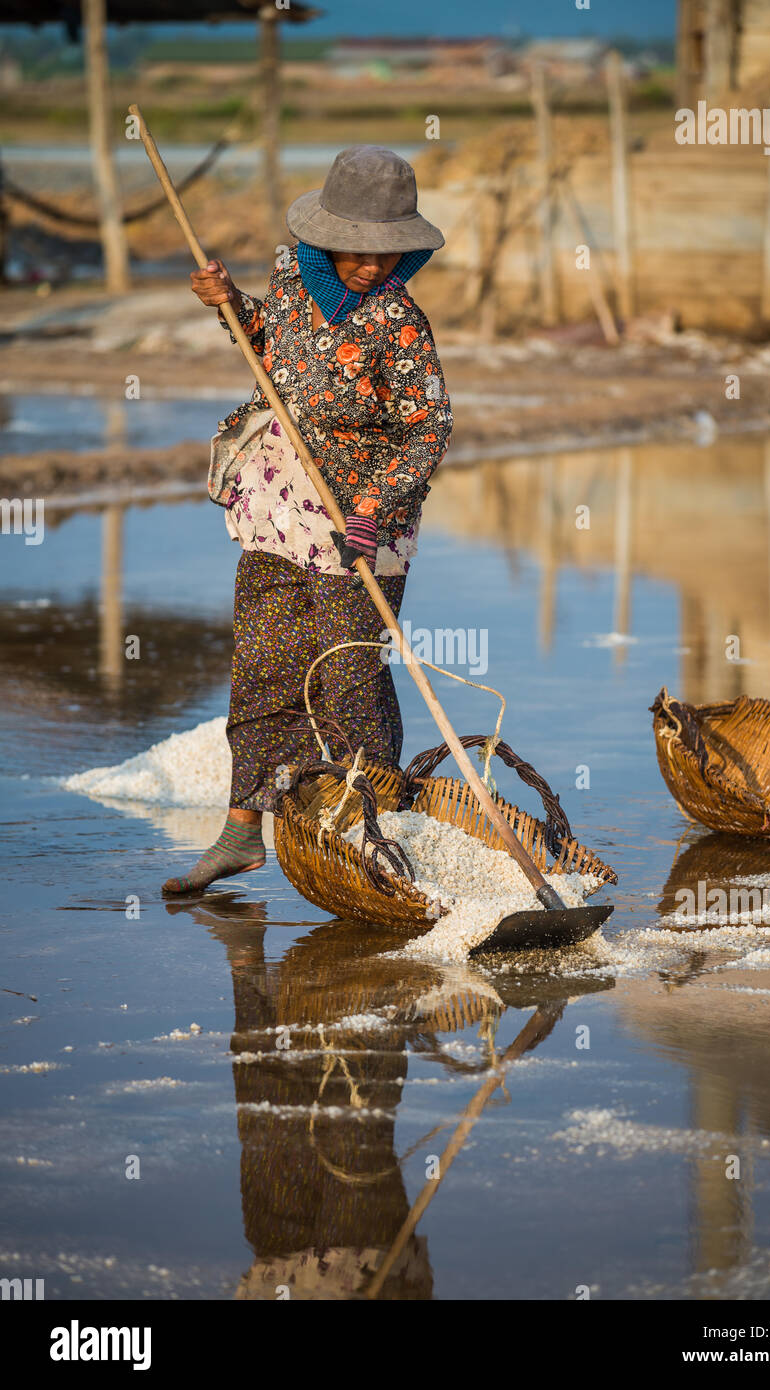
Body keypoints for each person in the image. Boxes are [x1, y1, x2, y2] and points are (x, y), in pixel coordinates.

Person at [162, 145, 452, 894]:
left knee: (350, 674)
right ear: (327, 238)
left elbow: (429, 429)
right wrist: (231, 308)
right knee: (263, 667)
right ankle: (240, 833)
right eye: (361, 251)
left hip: (359, 523)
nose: (373, 267)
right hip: (279, 502)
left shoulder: (398, 321)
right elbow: (278, 357)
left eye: (390, 254)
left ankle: (375, 829)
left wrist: (371, 509)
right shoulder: (289, 278)